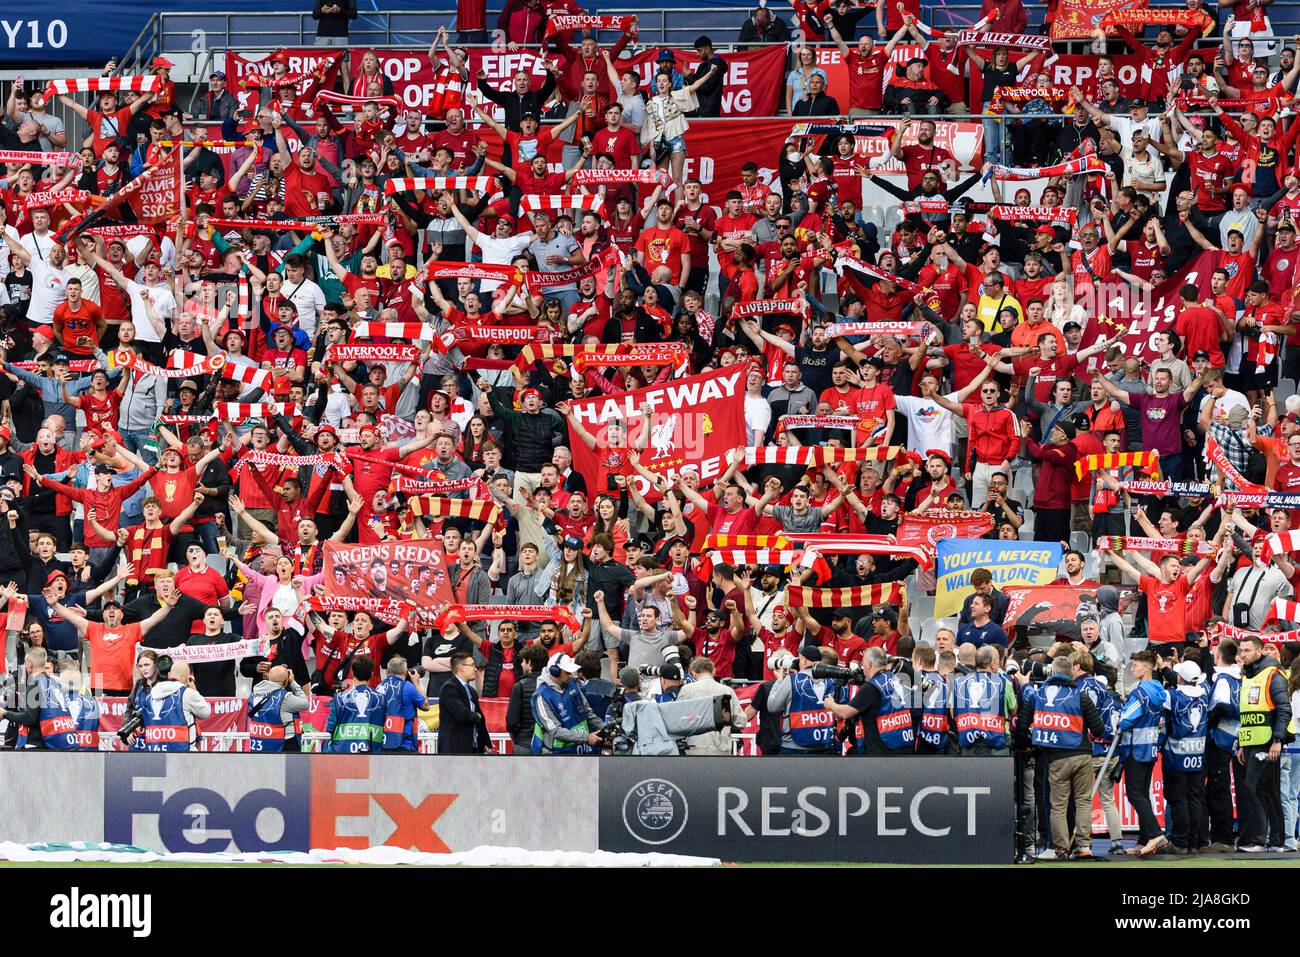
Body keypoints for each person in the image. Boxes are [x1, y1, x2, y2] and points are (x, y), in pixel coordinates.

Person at [1015, 655, 1106, 859]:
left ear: (1052, 672)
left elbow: (1022, 725)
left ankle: (1061, 849)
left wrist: (1028, 743)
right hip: (1082, 755)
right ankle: (1084, 847)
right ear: (1071, 672)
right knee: (1083, 802)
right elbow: (1099, 729)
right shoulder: (1080, 696)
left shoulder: (1038, 695)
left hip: (1056, 758)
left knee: (1058, 805)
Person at [1236, 634, 1293, 851]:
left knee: (1253, 788)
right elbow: (1249, 712)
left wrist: (1277, 740)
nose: (1243, 654)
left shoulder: (1272, 674)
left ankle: (1259, 840)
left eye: (1247, 650)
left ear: (1259, 651)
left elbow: (1283, 709)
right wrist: (1242, 743)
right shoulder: (1248, 676)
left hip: (1268, 742)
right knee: (1269, 790)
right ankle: (1278, 841)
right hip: (1252, 742)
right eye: (1241, 650)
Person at [1117, 650, 1170, 855]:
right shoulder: (1159, 690)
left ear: (1147, 667)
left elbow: (1126, 719)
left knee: (1134, 793)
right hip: (1150, 747)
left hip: (1135, 748)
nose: (1132, 669)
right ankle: (1144, 839)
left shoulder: (1140, 692)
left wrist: (1121, 716)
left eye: (1136, 665)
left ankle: (1155, 834)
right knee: (1143, 793)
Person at [823, 646, 916, 756]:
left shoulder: (872, 687)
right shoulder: (896, 678)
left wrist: (831, 704)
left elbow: (846, 712)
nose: (862, 667)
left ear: (869, 665)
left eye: (863, 664)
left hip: (882, 749)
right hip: (904, 744)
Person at [1163, 660, 1209, 854]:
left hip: (1176, 754)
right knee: (1194, 798)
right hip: (1197, 753)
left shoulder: (1171, 695)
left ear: (1180, 677)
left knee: (1178, 799)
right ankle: (1194, 841)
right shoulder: (1205, 694)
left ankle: (1180, 841)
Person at [531, 651, 606, 755]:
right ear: (555, 671)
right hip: (557, 754)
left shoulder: (572, 684)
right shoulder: (542, 695)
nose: (571, 675)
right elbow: (556, 731)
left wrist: (605, 729)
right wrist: (586, 738)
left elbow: (588, 713)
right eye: (567, 672)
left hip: (579, 749)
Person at [952, 645, 1016, 755]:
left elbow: (953, 712)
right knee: (998, 772)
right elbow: (1013, 710)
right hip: (998, 742)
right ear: (992, 664)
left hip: (968, 740)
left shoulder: (959, 683)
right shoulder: (1004, 682)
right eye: (997, 660)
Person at [676, 656, 746, 755]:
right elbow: (741, 722)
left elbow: (678, 721)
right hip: (721, 748)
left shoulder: (686, 690)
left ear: (693, 673)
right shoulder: (727, 691)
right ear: (713, 671)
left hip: (695, 748)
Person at [325, 657, 385, 753]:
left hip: (341, 755)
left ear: (352, 673)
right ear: (371, 674)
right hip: (373, 756)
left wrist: (329, 751)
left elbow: (329, 728)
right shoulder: (381, 698)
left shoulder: (339, 697)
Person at [437, 650, 491, 754]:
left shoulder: (472, 691)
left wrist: (486, 745)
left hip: (473, 749)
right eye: (472, 665)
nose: (475, 669)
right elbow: (462, 714)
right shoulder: (449, 687)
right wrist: (477, 716)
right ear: (461, 667)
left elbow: (481, 721)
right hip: (454, 749)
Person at [247, 664, 309, 753]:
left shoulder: (255, 693)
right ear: (286, 681)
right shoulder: (285, 697)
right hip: (283, 743)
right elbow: (305, 704)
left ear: (268, 677)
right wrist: (293, 683)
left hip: (260, 742)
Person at [379, 655, 427, 753]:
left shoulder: (379, 687)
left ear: (387, 672)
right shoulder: (408, 687)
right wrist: (416, 683)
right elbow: (426, 706)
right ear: (405, 672)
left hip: (383, 741)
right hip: (404, 743)